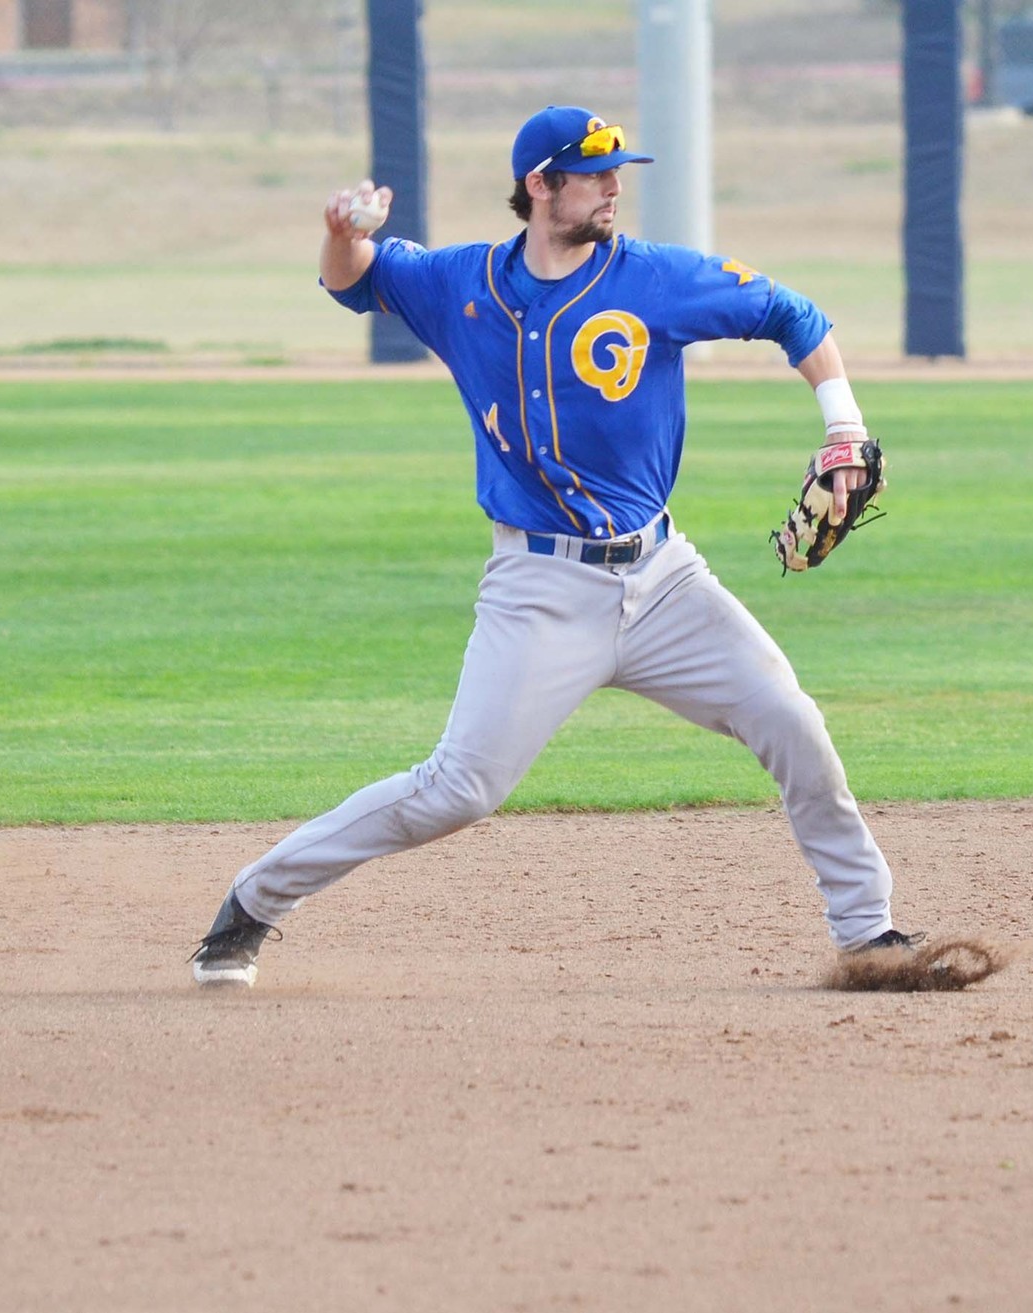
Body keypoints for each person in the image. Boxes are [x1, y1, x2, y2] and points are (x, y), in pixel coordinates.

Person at [189, 105, 920, 987]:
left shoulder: (656, 278)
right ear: (539, 185)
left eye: (618, 171)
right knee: (458, 789)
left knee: (790, 721)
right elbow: (355, 281)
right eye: (591, 172)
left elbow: (792, 314)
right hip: (538, 585)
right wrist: (340, 233)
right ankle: (255, 901)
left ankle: (868, 930)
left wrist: (845, 424)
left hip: (664, 580)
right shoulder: (459, 284)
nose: (613, 187)